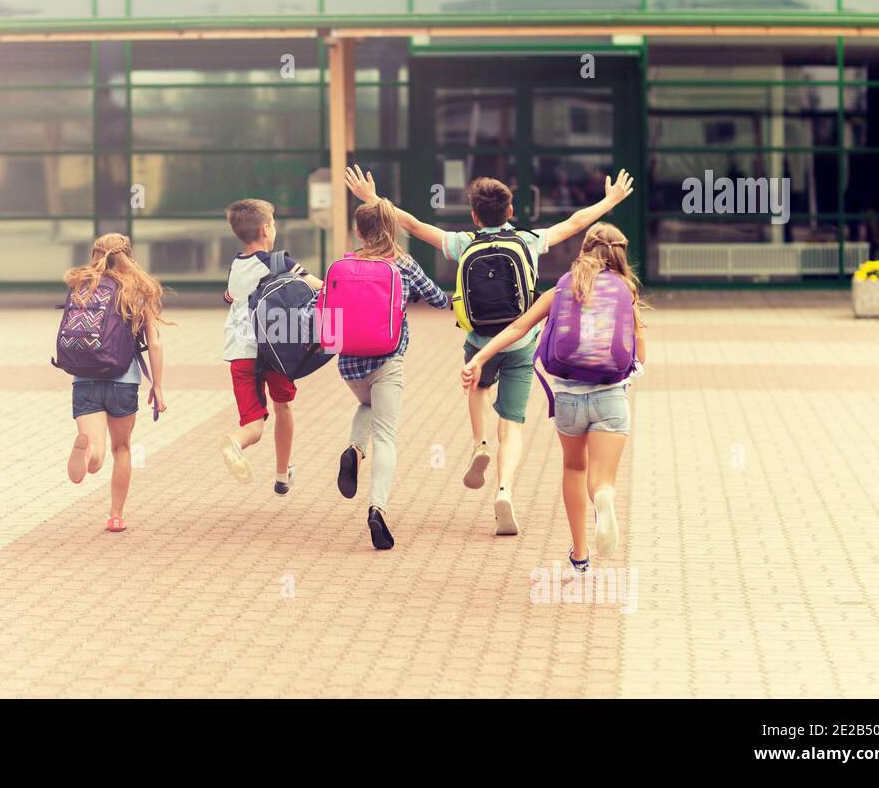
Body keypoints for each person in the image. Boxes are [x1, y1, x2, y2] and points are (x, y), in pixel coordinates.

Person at [344, 164, 635, 537]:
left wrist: (374, 199)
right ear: (510, 212)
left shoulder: (464, 242)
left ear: (474, 215)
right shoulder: (528, 241)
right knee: (512, 424)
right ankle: (505, 489)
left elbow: (414, 225)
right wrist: (609, 200)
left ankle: (479, 443)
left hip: (480, 340)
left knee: (477, 386)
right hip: (520, 342)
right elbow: (575, 224)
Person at [461, 224, 647, 574]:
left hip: (568, 401)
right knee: (601, 478)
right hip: (610, 398)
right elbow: (639, 354)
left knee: (574, 467)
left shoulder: (562, 289)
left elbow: (518, 328)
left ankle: (580, 553)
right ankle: (604, 497)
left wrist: (479, 358)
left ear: (585, 249)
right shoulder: (626, 291)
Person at [333, 198, 449, 550]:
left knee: (368, 406)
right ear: (393, 228)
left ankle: (353, 448)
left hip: (349, 363)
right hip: (387, 359)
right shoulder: (402, 263)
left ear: (358, 231)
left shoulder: (344, 265)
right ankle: (377, 508)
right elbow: (438, 300)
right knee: (385, 437)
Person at [217, 199, 323, 493]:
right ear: (266, 229)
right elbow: (321, 287)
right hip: (277, 350)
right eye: (273, 224)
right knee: (283, 406)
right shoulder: (280, 262)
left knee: (253, 424)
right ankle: (281, 474)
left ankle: (236, 442)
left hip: (240, 353)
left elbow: (229, 297)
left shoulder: (235, 265)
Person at [65, 233, 168, 533]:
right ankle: (116, 515)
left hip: (84, 378)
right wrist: (157, 386)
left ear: (96, 254)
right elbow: (156, 343)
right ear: (128, 255)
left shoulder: (83, 285)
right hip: (123, 380)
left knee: (97, 447)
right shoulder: (137, 289)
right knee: (121, 449)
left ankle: (87, 454)